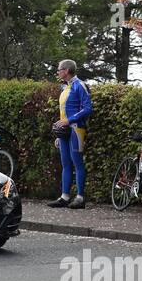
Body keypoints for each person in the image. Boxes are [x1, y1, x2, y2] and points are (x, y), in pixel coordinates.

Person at [48, 59, 92, 209]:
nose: (58, 72)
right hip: (65, 131)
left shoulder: (80, 85)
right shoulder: (65, 88)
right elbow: (63, 112)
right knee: (65, 163)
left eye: (59, 69)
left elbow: (87, 108)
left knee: (77, 163)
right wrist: (59, 133)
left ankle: (80, 198)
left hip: (76, 129)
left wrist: (69, 121)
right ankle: (65, 196)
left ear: (66, 70)